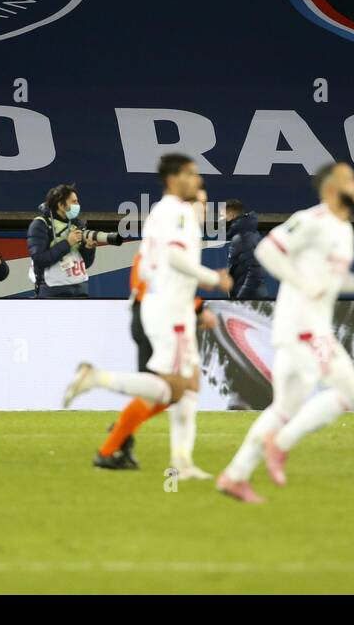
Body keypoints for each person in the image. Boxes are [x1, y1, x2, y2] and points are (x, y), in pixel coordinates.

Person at [218, 162, 354, 503]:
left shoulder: (344, 230)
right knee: (349, 389)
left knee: (284, 407)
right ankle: (280, 444)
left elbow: (333, 281)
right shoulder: (311, 220)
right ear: (330, 189)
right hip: (303, 327)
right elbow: (267, 250)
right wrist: (301, 282)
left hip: (307, 327)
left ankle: (235, 476)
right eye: (349, 179)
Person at [62, 154, 233, 467]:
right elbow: (153, 280)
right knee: (166, 389)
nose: (202, 208)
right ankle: (116, 438)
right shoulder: (174, 219)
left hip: (161, 310)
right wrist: (204, 294)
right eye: (199, 202)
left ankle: (161, 457)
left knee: (182, 386)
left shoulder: (169, 224)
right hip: (154, 313)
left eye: (204, 203)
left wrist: (195, 307)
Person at [27, 184, 98, 298]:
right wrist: (67, 243)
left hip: (80, 290)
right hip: (52, 292)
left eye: (77, 201)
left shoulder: (77, 224)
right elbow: (39, 259)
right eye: (74, 202)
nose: (78, 205)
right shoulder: (41, 225)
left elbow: (86, 263)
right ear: (60, 205)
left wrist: (89, 249)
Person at [222, 199, 266, 300]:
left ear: (231, 213)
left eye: (224, 213)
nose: (222, 216)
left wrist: (241, 297)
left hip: (250, 299)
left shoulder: (244, 236)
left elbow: (255, 270)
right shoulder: (244, 234)